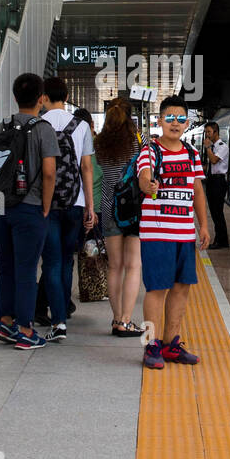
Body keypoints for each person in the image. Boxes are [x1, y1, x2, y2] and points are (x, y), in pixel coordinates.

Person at [138, 94, 209, 370]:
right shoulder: (150, 151)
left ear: (187, 123)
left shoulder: (191, 153)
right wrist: (148, 186)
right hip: (157, 234)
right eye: (170, 118)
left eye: (180, 119)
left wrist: (203, 225)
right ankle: (149, 345)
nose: (175, 123)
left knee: (181, 289)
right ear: (160, 121)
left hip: (183, 235)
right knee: (157, 289)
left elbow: (197, 191)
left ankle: (170, 344)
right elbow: (144, 177)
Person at [0, 73, 59, 350]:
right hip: (29, 208)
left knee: (6, 267)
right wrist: (45, 205)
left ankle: (5, 322)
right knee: (27, 270)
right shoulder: (43, 128)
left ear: (16, 97)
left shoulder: (2, 125)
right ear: (41, 98)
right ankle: (26, 330)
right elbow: (50, 173)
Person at [35, 78, 96, 340]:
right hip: (76, 202)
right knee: (66, 258)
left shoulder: (38, 124)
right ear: (68, 95)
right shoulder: (81, 125)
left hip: (45, 204)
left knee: (50, 261)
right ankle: (64, 310)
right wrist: (90, 206)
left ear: (44, 97)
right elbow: (86, 168)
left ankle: (58, 321)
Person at [95, 98, 144, 336]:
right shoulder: (138, 141)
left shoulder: (99, 143)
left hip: (108, 209)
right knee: (133, 265)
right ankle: (126, 320)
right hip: (134, 211)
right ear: (130, 117)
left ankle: (116, 320)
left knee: (114, 266)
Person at [202, 121, 229, 249]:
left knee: (218, 212)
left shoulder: (222, 146)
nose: (207, 135)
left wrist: (207, 148)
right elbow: (210, 165)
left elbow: (213, 161)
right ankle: (219, 238)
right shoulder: (213, 146)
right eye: (206, 132)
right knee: (213, 211)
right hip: (212, 180)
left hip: (219, 181)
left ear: (215, 132)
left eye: (209, 132)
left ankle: (222, 241)